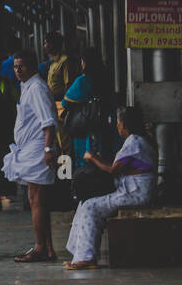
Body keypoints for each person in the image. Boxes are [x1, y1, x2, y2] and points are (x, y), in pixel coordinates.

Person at [64, 106, 158, 270]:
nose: (117, 126)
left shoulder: (134, 141)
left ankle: (86, 257)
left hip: (136, 193)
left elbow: (114, 169)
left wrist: (93, 158)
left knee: (90, 207)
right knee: (84, 202)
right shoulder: (138, 139)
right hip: (132, 190)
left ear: (124, 125)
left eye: (118, 123)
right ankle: (79, 253)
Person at [2, 50, 59, 262]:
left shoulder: (36, 88)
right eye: (15, 66)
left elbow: (49, 122)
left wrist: (47, 149)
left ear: (33, 66)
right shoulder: (28, 87)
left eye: (22, 66)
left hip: (38, 151)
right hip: (31, 149)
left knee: (36, 200)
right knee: (39, 201)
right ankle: (48, 248)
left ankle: (39, 247)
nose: (17, 70)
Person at [60, 48, 113, 172]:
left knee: (84, 162)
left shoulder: (82, 81)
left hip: (85, 128)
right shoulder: (106, 78)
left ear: (84, 63)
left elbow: (65, 103)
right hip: (105, 126)